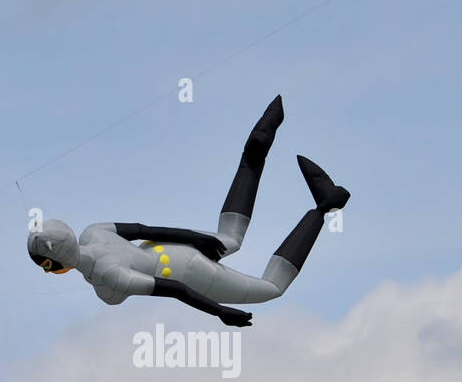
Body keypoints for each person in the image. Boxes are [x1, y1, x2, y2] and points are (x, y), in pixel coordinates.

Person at [27, 95, 350, 326]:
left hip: (184, 270)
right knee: (229, 238)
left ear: (56, 261)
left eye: (46, 265)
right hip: (168, 248)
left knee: (271, 289)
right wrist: (196, 237)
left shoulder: (108, 276)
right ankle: (253, 154)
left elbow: (175, 289)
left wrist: (221, 311)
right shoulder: (93, 231)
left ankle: (322, 208)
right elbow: (146, 230)